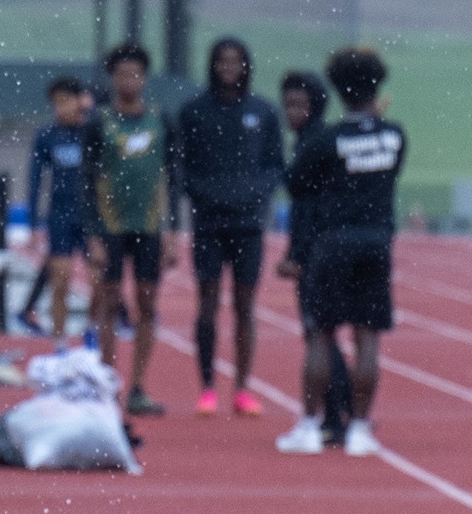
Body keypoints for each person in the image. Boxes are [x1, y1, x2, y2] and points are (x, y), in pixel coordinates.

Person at [275, 47, 404, 457]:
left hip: (333, 244)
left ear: (338, 90)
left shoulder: (326, 139)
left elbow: (295, 183)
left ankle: (310, 427)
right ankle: (361, 429)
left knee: (320, 335)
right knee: (367, 339)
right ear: (377, 87)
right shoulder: (394, 135)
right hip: (376, 242)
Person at [178, 38, 284, 417]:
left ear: (245, 66)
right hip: (209, 221)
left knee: (244, 304)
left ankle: (242, 387)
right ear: (212, 65)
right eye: (222, 61)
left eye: (236, 61)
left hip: (248, 223)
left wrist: (253, 194)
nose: (229, 68)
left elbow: (274, 166)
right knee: (207, 302)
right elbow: (182, 166)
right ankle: (207, 386)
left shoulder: (263, 112)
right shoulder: (194, 112)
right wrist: (207, 194)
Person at [83, 42, 178, 416]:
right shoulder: (99, 123)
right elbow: (86, 181)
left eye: (135, 74)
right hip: (110, 226)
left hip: (149, 227)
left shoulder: (161, 120)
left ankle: (138, 387)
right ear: (112, 78)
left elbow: (173, 177)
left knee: (147, 304)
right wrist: (92, 235)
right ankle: (108, 382)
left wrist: (173, 232)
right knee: (108, 303)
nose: (129, 81)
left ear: (145, 78)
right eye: (122, 74)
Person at [275, 70, 354, 446]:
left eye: (300, 105)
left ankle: (336, 416)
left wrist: (297, 255)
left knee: (319, 336)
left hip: (318, 251)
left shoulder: (315, 144)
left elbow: (308, 208)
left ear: (317, 105)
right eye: (288, 104)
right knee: (323, 336)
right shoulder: (313, 140)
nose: (293, 112)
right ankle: (341, 412)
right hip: (325, 246)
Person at [21, 77, 92, 341]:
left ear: (79, 101)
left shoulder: (92, 131)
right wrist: (33, 224)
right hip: (60, 216)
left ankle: (92, 337)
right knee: (60, 280)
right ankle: (60, 342)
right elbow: (35, 180)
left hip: (91, 217)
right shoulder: (47, 136)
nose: (60, 108)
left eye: (66, 101)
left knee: (98, 282)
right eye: (56, 103)